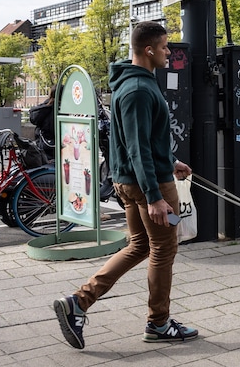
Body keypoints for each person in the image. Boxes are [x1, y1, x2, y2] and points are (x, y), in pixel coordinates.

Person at [53, 21, 196, 349]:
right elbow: (136, 146)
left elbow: (139, 139)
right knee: (163, 248)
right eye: (164, 47)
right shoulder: (138, 89)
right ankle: (158, 323)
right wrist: (155, 196)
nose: (168, 52)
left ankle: (79, 302)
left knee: (140, 246)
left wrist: (169, 160)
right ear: (149, 50)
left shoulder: (132, 84)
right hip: (148, 185)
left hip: (132, 181)